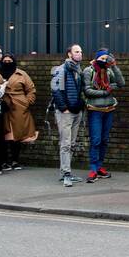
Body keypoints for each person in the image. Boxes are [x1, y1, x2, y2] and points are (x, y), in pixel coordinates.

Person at [82, 48, 124, 183]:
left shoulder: (109, 70)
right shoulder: (89, 71)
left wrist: (114, 65)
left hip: (109, 109)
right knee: (96, 140)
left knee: (104, 140)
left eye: (107, 58)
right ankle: (93, 169)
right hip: (95, 110)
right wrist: (106, 92)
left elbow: (121, 83)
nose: (104, 61)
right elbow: (88, 91)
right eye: (102, 58)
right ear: (97, 58)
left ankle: (100, 167)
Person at [51, 44, 86, 188]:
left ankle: (66, 173)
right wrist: (64, 108)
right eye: (76, 51)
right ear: (69, 54)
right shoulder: (62, 69)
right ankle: (65, 174)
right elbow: (55, 89)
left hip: (76, 111)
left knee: (71, 144)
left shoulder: (78, 69)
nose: (80, 54)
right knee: (65, 144)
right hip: (66, 112)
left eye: (81, 52)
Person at [0, 55, 38, 172]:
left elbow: (31, 90)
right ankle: (4, 161)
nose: (7, 62)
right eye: (5, 61)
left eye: (10, 61)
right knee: (3, 135)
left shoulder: (22, 74)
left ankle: (15, 161)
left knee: (17, 136)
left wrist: (26, 103)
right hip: (1, 107)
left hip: (18, 108)